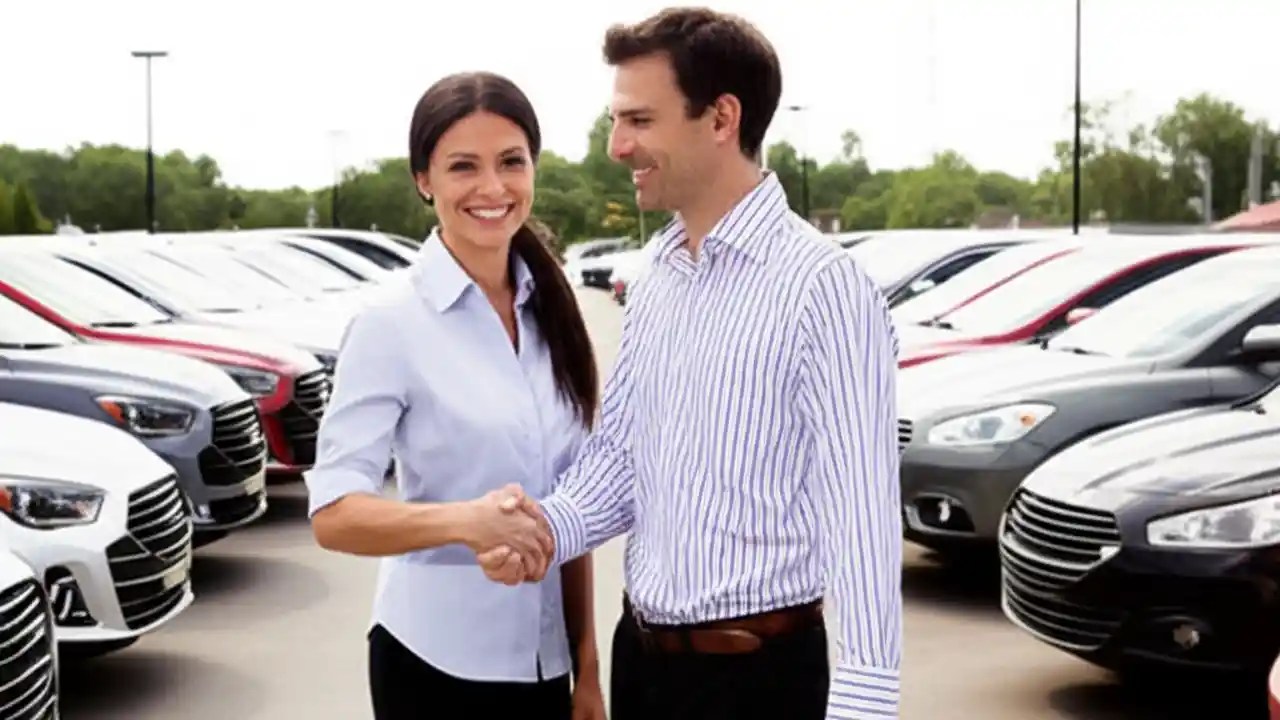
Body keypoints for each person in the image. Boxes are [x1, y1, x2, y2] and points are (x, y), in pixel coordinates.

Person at [479, 7, 903, 720]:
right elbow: (619, 463)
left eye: (639, 120)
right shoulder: (657, 276)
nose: (617, 146)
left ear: (721, 118)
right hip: (643, 667)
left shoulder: (823, 288)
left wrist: (864, 704)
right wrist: (544, 531)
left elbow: (862, 522)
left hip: (757, 684)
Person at [303, 71, 607, 720]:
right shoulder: (391, 321)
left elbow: (570, 503)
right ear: (424, 180)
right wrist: (466, 522)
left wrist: (586, 670)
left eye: (511, 162)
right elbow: (334, 514)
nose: (492, 189)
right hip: (434, 667)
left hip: (547, 666)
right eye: (463, 166)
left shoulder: (553, 312)